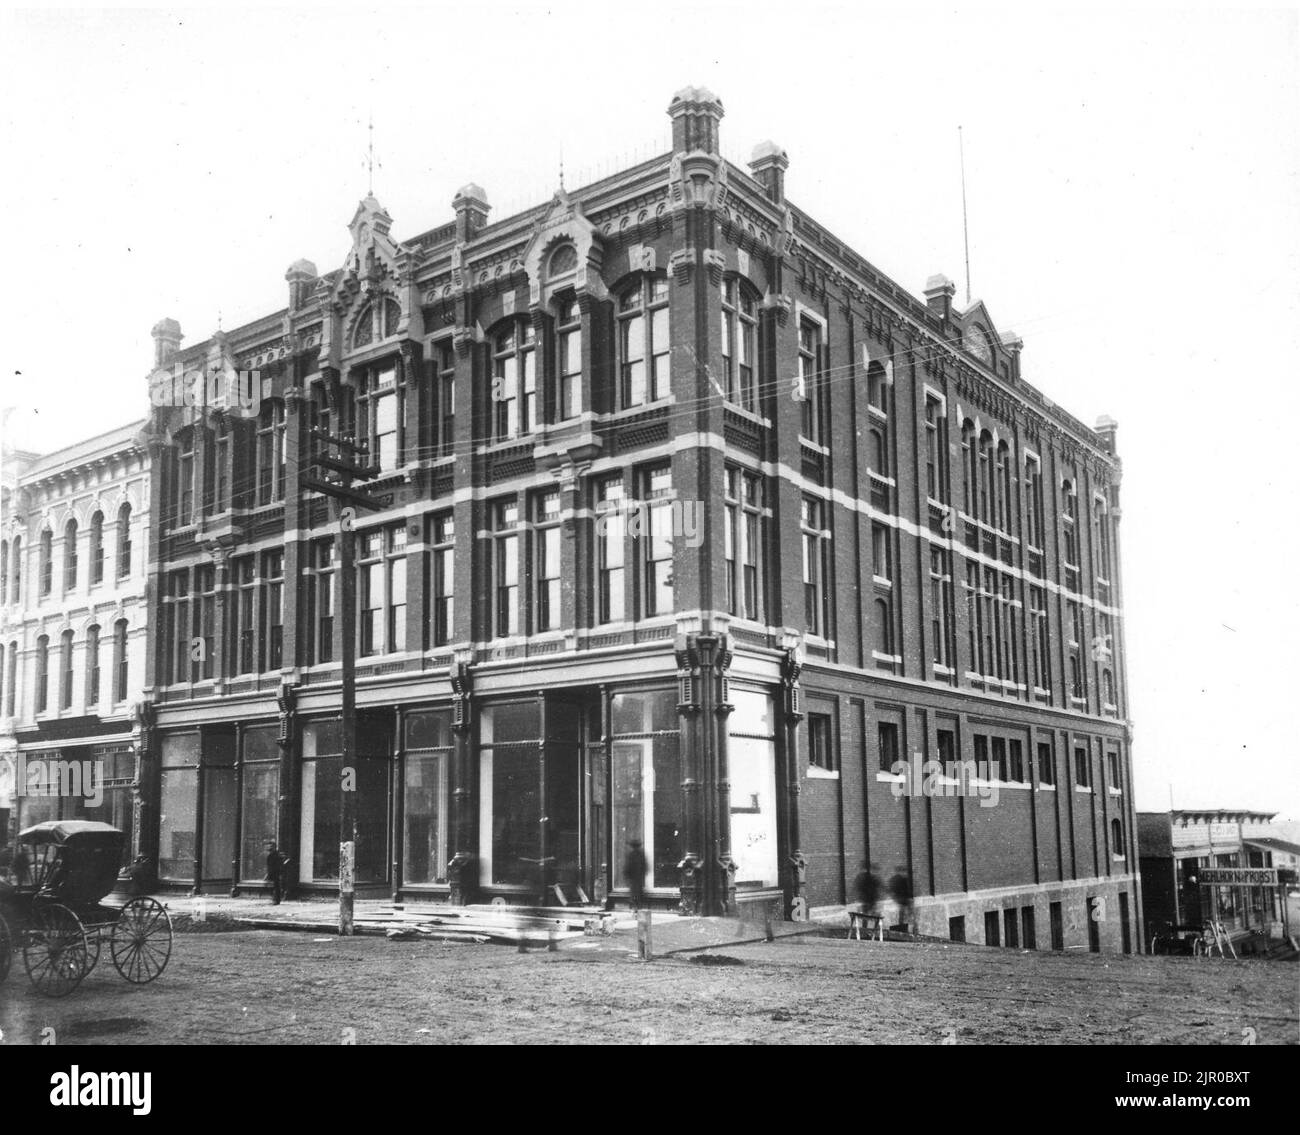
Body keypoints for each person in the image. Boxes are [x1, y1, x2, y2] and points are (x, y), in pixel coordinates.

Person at [888, 865, 913, 935]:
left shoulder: (897, 879)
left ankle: (905, 929)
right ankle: (906, 930)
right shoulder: (901, 879)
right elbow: (905, 890)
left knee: (903, 916)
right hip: (903, 900)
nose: (904, 873)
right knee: (906, 915)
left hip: (902, 900)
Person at [624, 839, 648, 911]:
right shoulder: (641, 854)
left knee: (634, 893)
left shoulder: (631, 854)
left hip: (633, 877)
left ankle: (635, 909)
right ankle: (638, 907)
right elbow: (644, 866)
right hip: (639, 877)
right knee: (638, 893)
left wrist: (626, 875)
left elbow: (628, 866)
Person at [265, 840, 290, 905]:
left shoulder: (276, 855)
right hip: (273, 873)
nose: (268, 848)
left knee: (276, 886)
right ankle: (275, 899)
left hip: (276, 873)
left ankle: (276, 900)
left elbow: (279, 865)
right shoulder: (272, 855)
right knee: (275, 886)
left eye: (270, 847)